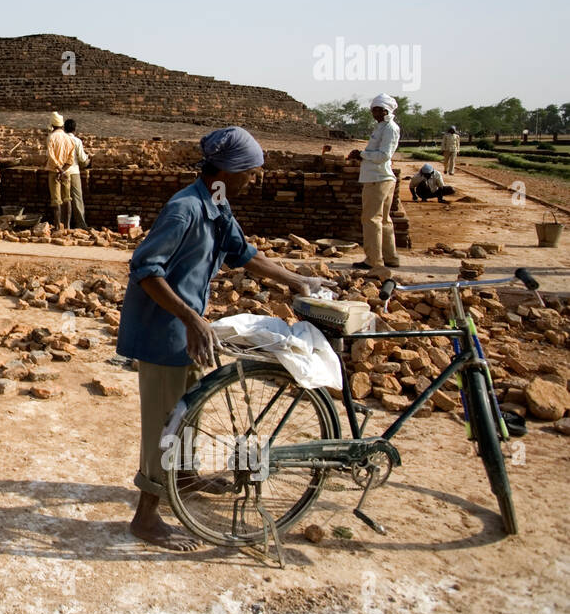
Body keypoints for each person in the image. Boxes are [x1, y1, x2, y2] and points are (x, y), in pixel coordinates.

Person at [116, 127, 334, 551]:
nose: (255, 179)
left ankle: (185, 475)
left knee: (191, 410)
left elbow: (242, 253)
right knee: (166, 422)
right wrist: (192, 318)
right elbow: (145, 270)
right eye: (250, 172)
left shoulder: (217, 203)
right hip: (165, 332)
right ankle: (145, 516)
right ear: (227, 170)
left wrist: (295, 279)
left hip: (190, 331)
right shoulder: (184, 210)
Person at [348, 93, 402, 271]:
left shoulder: (390, 128)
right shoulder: (381, 127)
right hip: (379, 177)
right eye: (374, 109)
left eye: (379, 110)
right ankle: (390, 257)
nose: (375, 113)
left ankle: (373, 260)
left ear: (387, 110)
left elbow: (384, 155)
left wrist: (361, 154)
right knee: (383, 220)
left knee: (371, 219)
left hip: (378, 179)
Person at [45, 111, 75, 227]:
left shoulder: (51, 138)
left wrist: (59, 170)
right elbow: (70, 160)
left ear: (52, 126)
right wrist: (63, 170)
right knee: (67, 199)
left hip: (54, 172)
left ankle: (57, 226)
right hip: (66, 172)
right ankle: (67, 226)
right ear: (62, 125)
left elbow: (51, 157)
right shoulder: (69, 139)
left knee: (56, 200)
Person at [63, 118, 89, 229]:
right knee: (77, 199)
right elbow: (82, 159)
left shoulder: (60, 140)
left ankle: (63, 224)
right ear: (74, 129)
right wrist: (89, 159)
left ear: (64, 128)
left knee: (63, 199)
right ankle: (81, 224)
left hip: (61, 172)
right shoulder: (77, 141)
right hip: (74, 171)